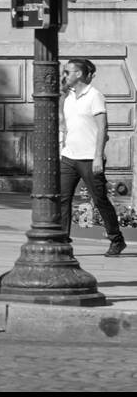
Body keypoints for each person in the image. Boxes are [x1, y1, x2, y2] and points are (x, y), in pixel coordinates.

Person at [60, 59, 126, 256]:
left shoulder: (95, 96)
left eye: (67, 72)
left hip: (90, 158)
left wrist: (98, 156)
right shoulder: (68, 96)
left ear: (78, 74)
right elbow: (67, 126)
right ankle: (63, 242)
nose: (64, 76)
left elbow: (102, 127)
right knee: (63, 199)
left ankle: (116, 239)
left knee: (100, 200)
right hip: (69, 158)